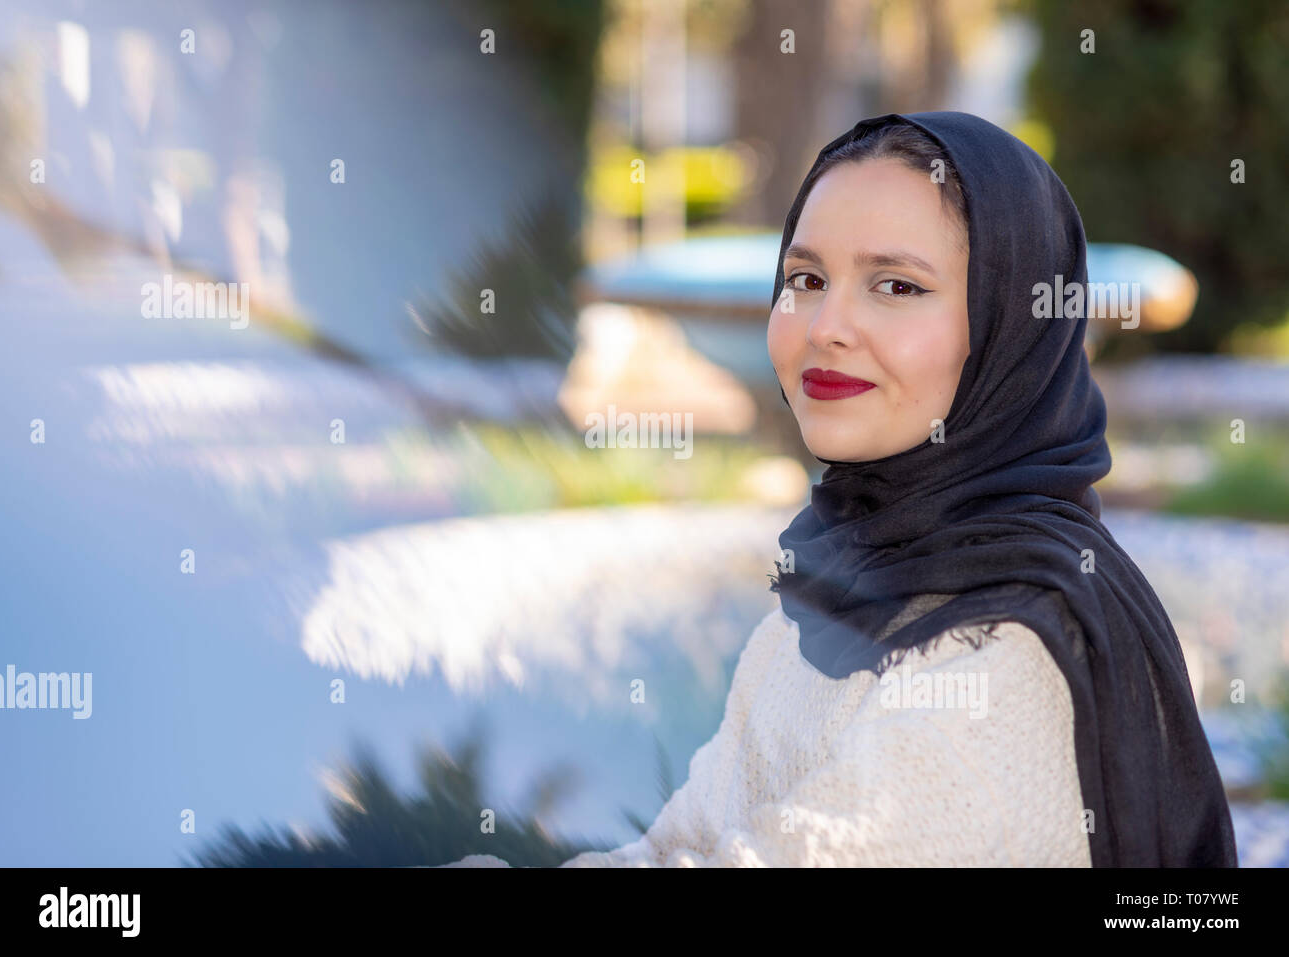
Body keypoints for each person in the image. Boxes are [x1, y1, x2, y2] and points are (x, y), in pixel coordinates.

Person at [443, 111, 1238, 867]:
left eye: (896, 285)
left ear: (1007, 330)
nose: (826, 324)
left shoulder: (1009, 651)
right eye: (806, 276)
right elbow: (682, 841)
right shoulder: (836, 588)